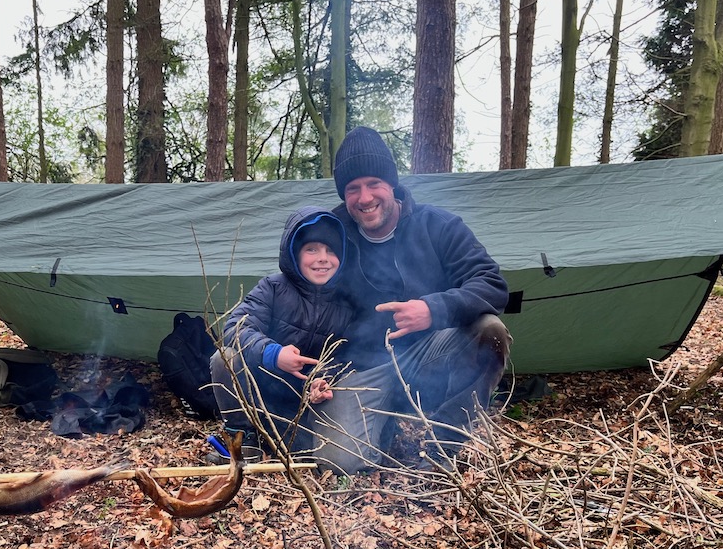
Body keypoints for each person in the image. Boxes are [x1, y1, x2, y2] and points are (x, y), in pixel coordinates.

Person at [311, 126, 512, 473]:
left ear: (392, 185)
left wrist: (434, 310)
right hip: (361, 368)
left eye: (374, 183)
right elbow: (300, 293)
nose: (364, 197)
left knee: (489, 331)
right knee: (338, 462)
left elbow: (492, 283)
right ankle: (380, 429)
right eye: (352, 188)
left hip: (428, 356)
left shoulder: (438, 226)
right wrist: (318, 365)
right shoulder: (331, 235)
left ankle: (443, 444)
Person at [209, 206, 355, 460]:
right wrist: (273, 353)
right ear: (293, 254)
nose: (323, 258)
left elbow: (348, 357)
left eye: (331, 251)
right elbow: (234, 328)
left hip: (304, 406)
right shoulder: (273, 287)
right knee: (225, 359)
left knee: (323, 457)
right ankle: (242, 439)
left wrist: (321, 381)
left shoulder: (347, 304)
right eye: (312, 249)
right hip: (261, 395)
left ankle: (284, 439)